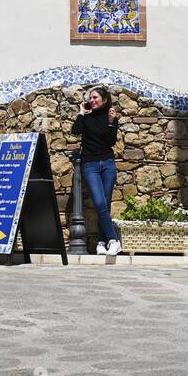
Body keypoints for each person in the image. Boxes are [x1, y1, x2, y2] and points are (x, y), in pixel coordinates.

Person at [71, 85, 123, 255]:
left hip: (107, 163)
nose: (91, 100)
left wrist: (110, 123)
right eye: (90, 98)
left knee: (105, 205)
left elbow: (110, 142)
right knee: (99, 203)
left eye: (95, 98)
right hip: (90, 165)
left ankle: (101, 243)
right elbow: (75, 131)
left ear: (104, 100)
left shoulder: (110, 117)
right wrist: (81, 112)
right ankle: (113, 240)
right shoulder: (86, 118)